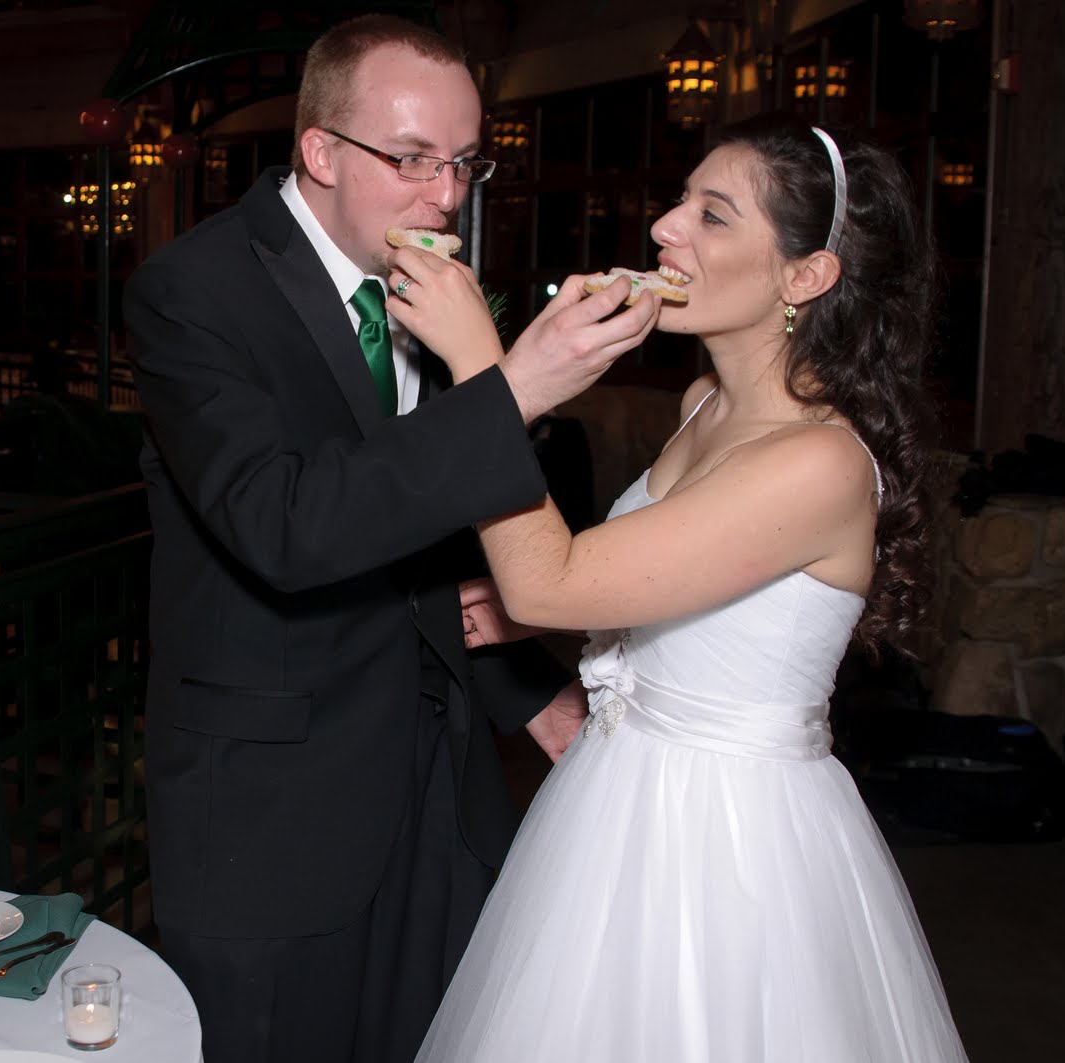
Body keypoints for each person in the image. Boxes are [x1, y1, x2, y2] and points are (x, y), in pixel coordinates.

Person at [122, 14, 659, 1063]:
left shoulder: (423, 280)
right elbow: (282, 524)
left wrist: (526, 690)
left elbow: (428, 528)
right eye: (412, 159)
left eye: (463, 162)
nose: (444, 196)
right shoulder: (192, 291)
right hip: (273, 810)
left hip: (438, 779)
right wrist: (512, 386)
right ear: (320, 151)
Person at [388, 113, 970, 1061]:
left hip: (726, 841)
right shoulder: (702, 403)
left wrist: (484, 370)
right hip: (617, 794)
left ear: (805, 276)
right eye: (680, 202)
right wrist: (557, 614)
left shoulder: (819, 461)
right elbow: (666, 587)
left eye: (713, 215)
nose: (664, 227)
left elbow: (551, 581)